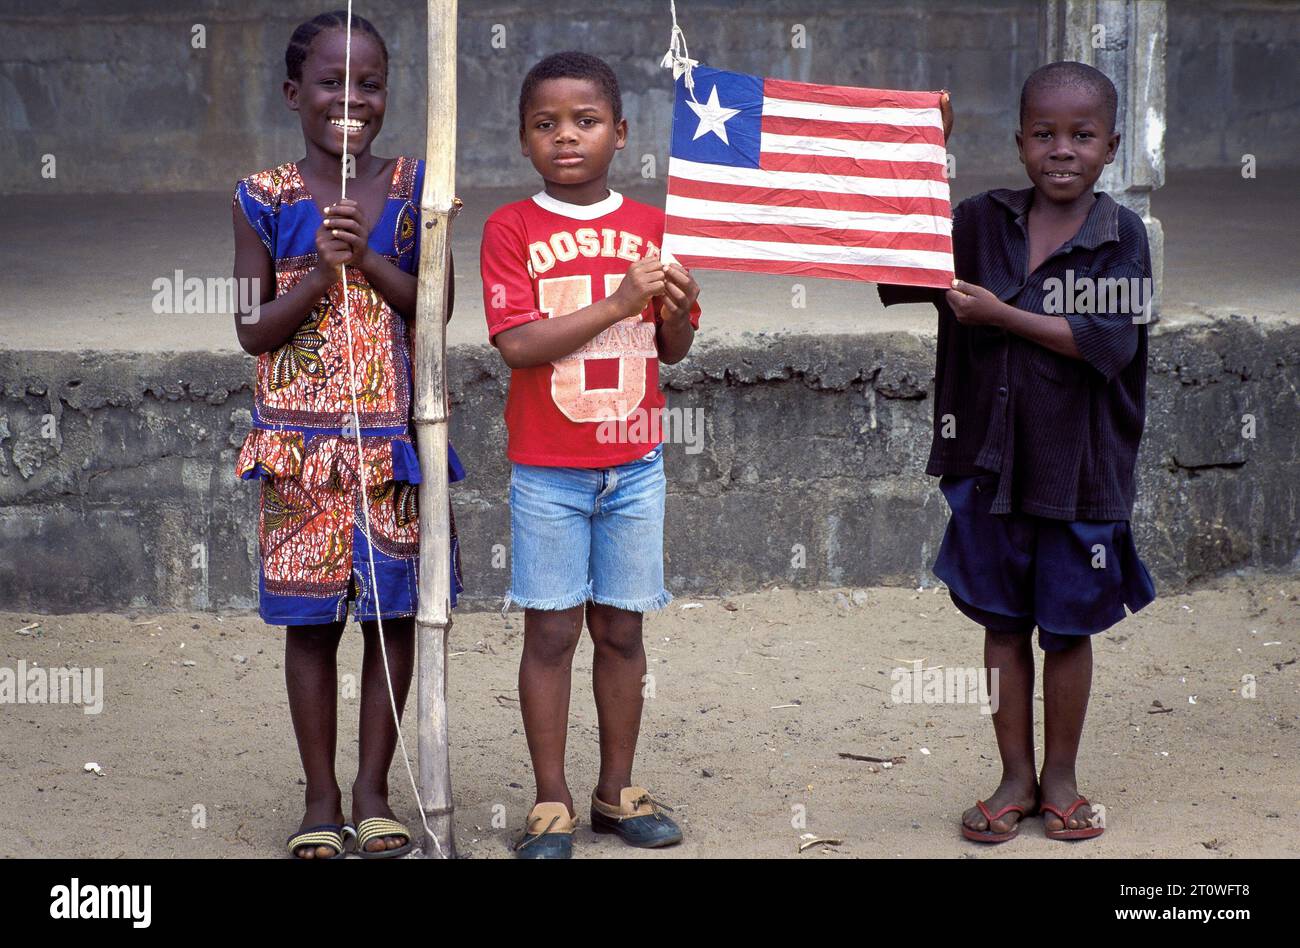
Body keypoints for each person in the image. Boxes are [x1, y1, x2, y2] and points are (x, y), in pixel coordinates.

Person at [879, 62, 1155, 842]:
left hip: (1080, 469)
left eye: (1081, 135)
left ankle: (1062, 779)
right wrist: (923, 156)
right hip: (988, 464)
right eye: (1043, 134)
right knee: (1002, 623)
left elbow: (1107, 341)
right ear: (1020, 142)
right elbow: (901, 257)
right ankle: (1015, 779)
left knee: (1067, 628)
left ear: (1110, 148)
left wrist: (1002, 315)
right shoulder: (975, 223)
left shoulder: (1117, 233)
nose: (1060, 150)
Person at [231, 10, 464, 859]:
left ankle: (374, 791)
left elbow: (436, 311)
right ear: (295, 93)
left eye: (370, 84)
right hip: (298, 451)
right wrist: (322, 275)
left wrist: (367, 260)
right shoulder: (263, 195)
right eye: (331, 82)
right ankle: (320, 796)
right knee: (310, 625)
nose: (351, 100)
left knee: (393, 615)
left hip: (392, 447)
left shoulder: (416, 187)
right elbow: (253, 331)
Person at [480, 51, 701, 858]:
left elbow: (671, 348)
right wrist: (618, 299)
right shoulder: (511, 228)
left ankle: (618, 790)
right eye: (546, 125)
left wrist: (672, 307)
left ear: (621, 132)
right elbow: (519, 345)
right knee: (550, 634)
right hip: (549, 471)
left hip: (635, 466)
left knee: (622, 631)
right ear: (524, 139)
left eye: (585, 121)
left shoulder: (655, 228)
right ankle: (551, 800)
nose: (566, 137)